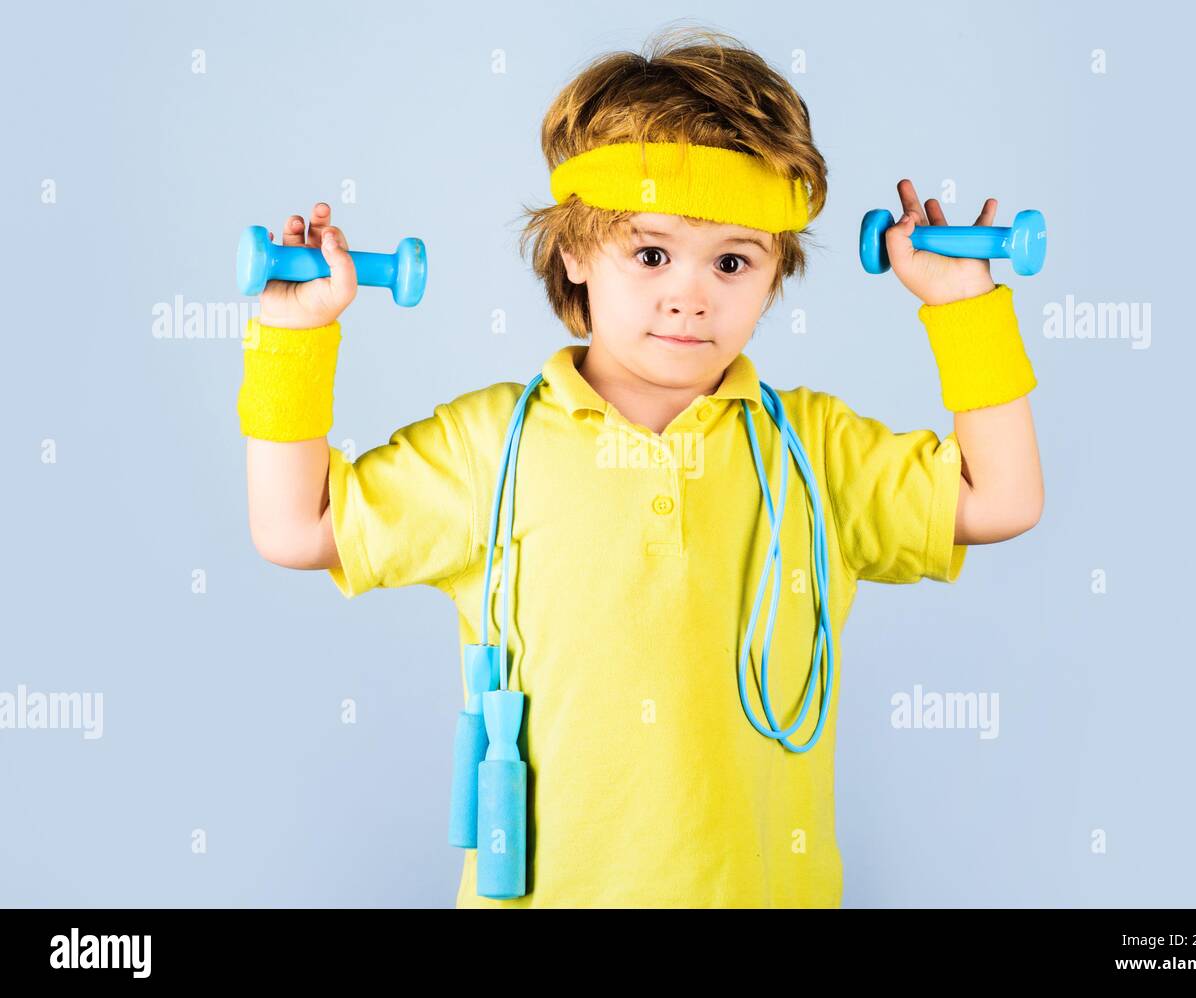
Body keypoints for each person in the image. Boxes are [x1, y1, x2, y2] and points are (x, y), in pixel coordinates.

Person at [237, 26, 1043, 908]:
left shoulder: (814, 452)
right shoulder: (490, 446)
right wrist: (295, 336)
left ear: (774, 275)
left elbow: (1000, 498)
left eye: (733, 260)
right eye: (651, 253)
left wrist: (967, 313)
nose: (690, 293)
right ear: (575, 251)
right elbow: (296, 527)